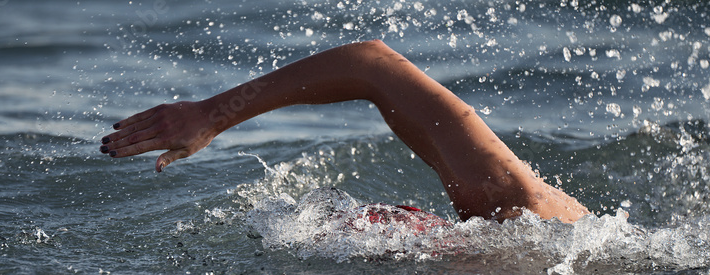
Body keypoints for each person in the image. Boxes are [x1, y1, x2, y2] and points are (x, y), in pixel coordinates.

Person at [99, 40, 590, 224]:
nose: (385, 219)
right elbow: (373, 64)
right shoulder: (506, 201)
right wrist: (212, 114)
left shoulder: (512, 210)